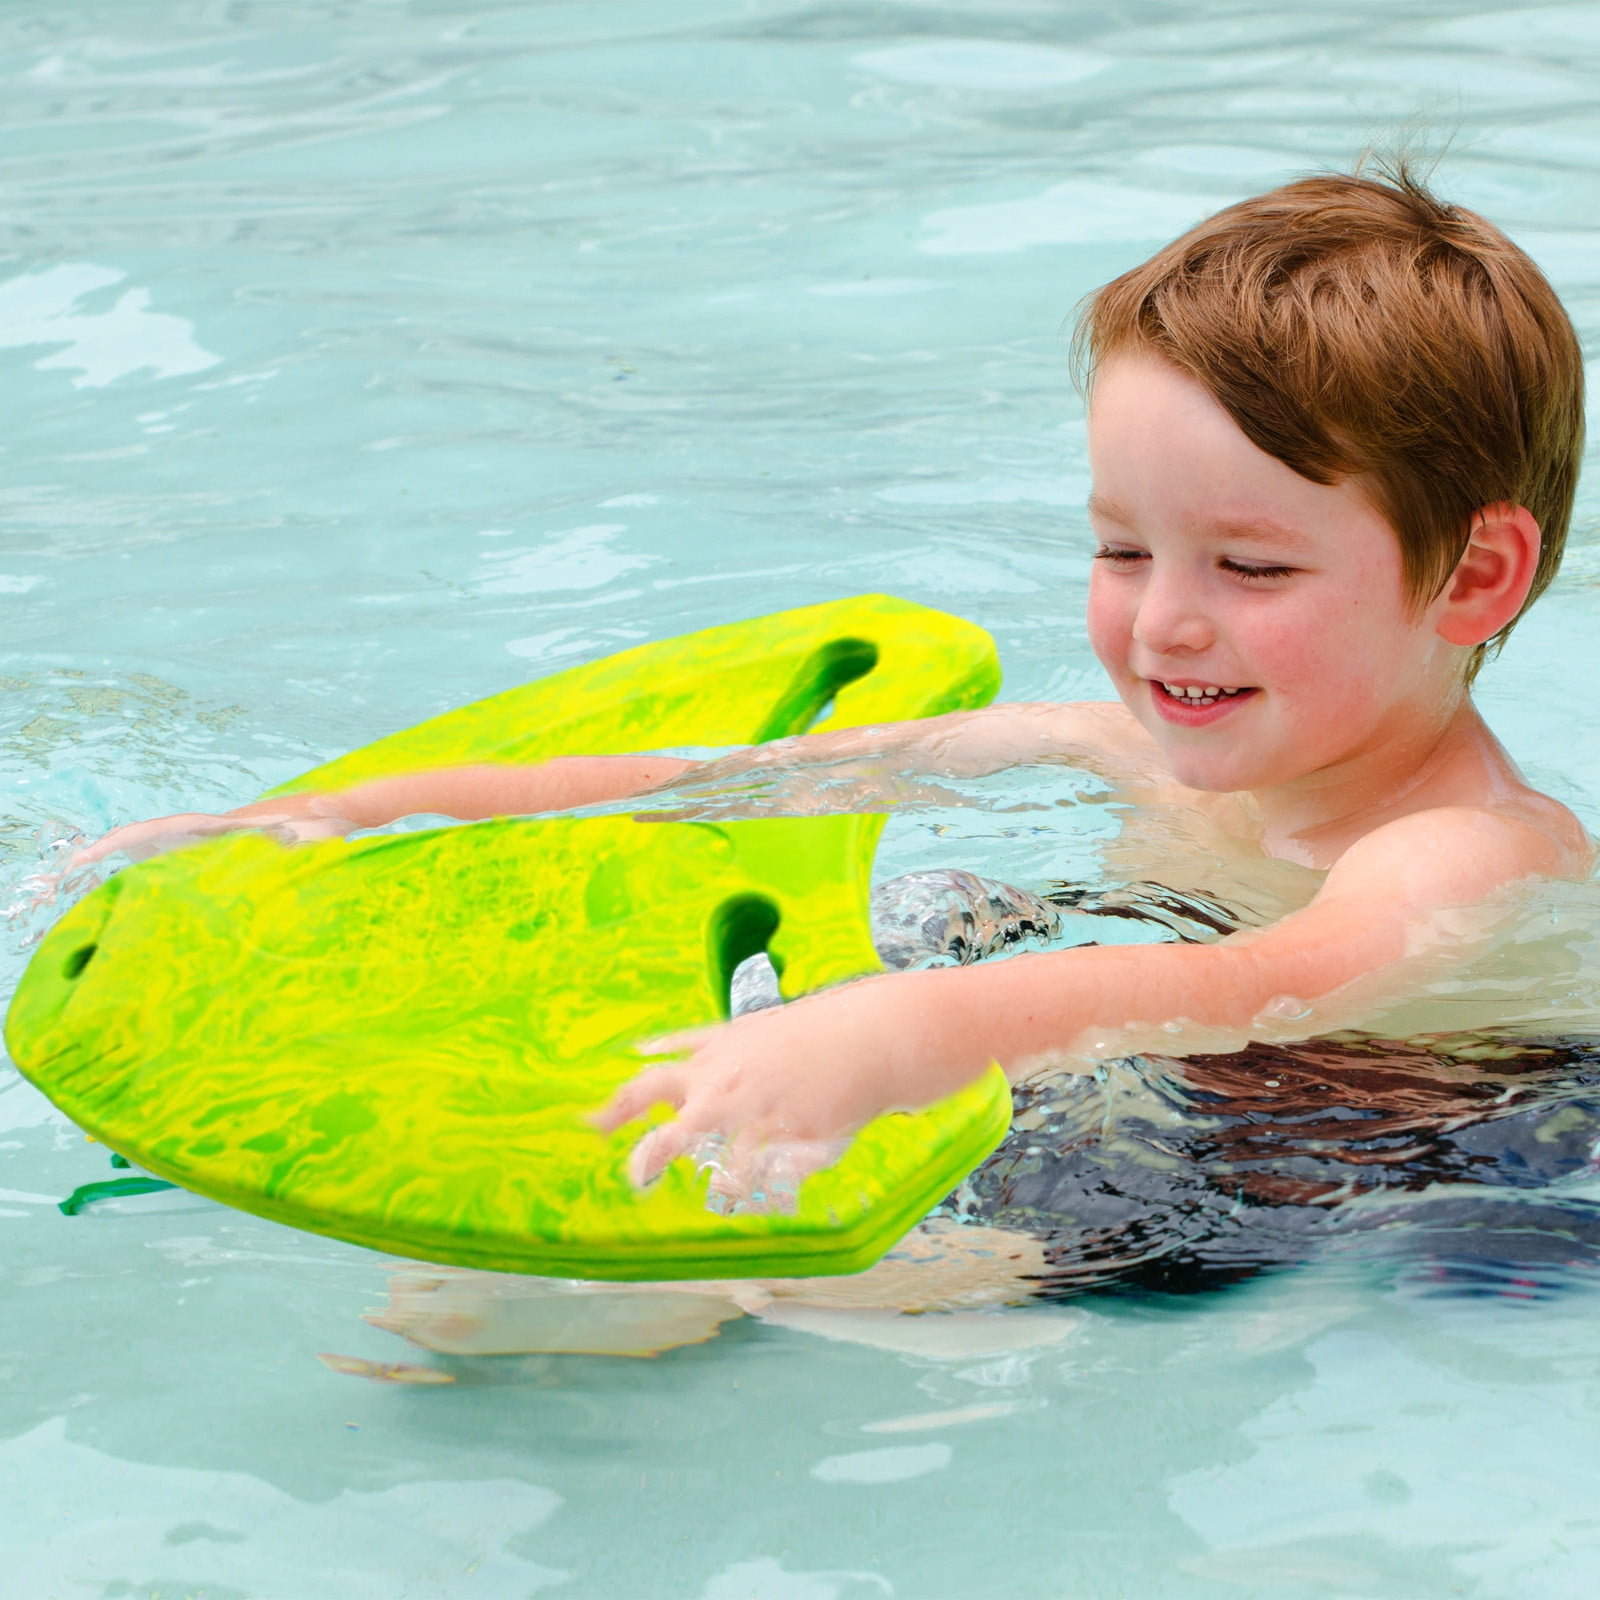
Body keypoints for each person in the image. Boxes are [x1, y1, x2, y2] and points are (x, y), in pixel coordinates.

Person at [82, 162, 1593, 1231]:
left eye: (1251, 567)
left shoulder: (1466, 850)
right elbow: (727, 779)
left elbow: (1248, 987)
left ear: (1471, 579)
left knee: (756, 1281)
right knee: (898, 924)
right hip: (1124, 1084)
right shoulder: (1126, 749)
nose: (1163, 618)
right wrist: (341, 814)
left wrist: (891, 1040)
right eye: (1122, 546)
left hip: (1359, 1154)